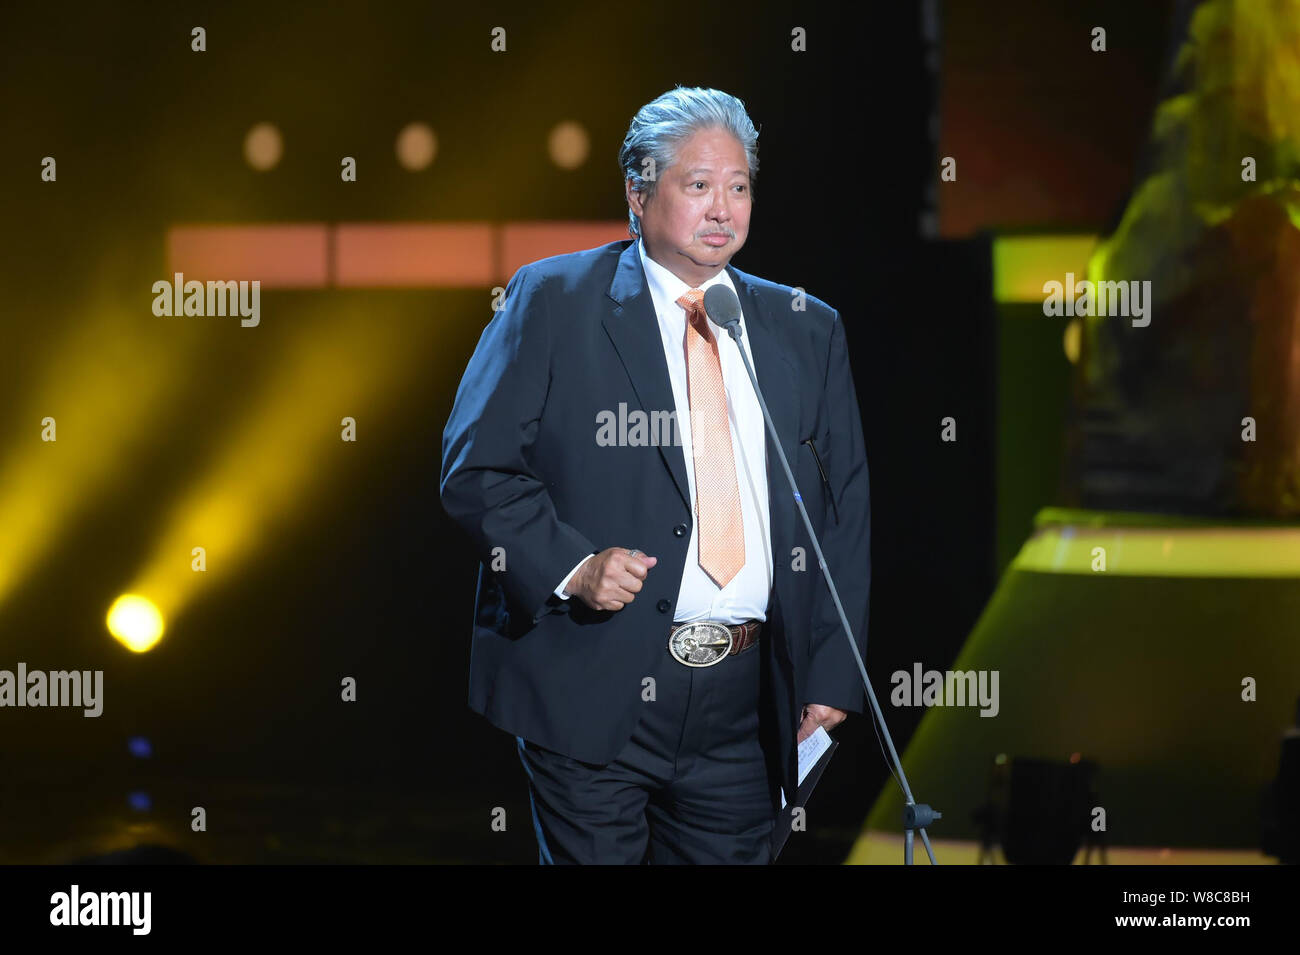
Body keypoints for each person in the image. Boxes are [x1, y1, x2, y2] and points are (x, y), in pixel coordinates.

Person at [440, 86, 871, 864]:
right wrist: (573, 567)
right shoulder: (555, 299)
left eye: (738, 186)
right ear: (637, 195)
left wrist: (834, 673)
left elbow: (843, 511)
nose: (722, 209)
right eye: (698, 184)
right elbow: (477, 468)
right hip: (593, 680)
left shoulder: (806, 326)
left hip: (746, 706)